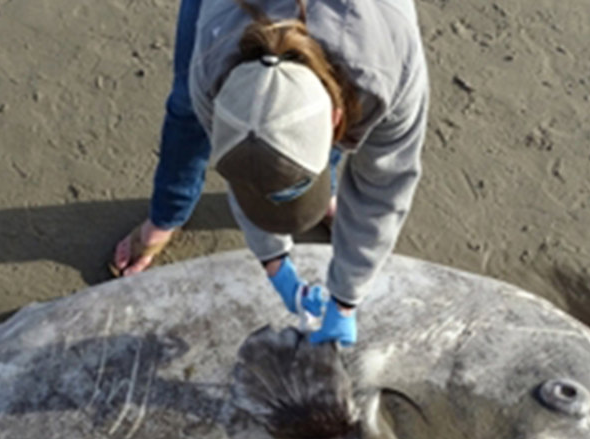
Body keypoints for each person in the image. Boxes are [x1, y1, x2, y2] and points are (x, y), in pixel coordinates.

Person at [109, 0, 428, 346]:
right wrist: (274, 261)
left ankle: (319, 186)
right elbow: (247, 161)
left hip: (365, 46)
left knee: (311, 133)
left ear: (335, 116)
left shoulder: (387, 69)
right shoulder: (213, 58)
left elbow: (383, 190)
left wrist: (347, 298)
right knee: (186, 108)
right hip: (229, 19)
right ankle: (168, 214)